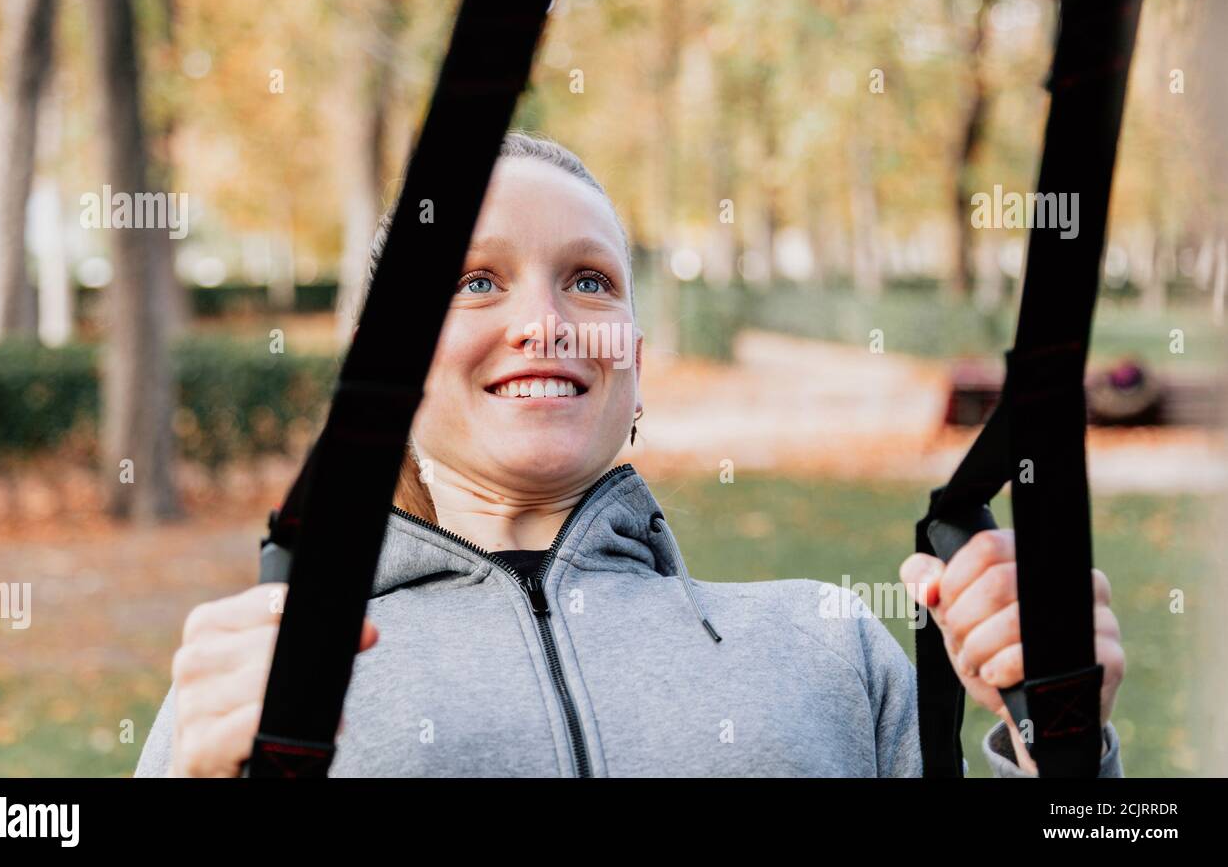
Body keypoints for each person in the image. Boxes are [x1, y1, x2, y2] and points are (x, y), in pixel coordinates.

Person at [135, 131, 1125, 777]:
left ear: (635, 366)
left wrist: (1056, 735)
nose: (544, 321)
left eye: (590, 281)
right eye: (475, 281)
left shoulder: (827, 643)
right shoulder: (259, 679)